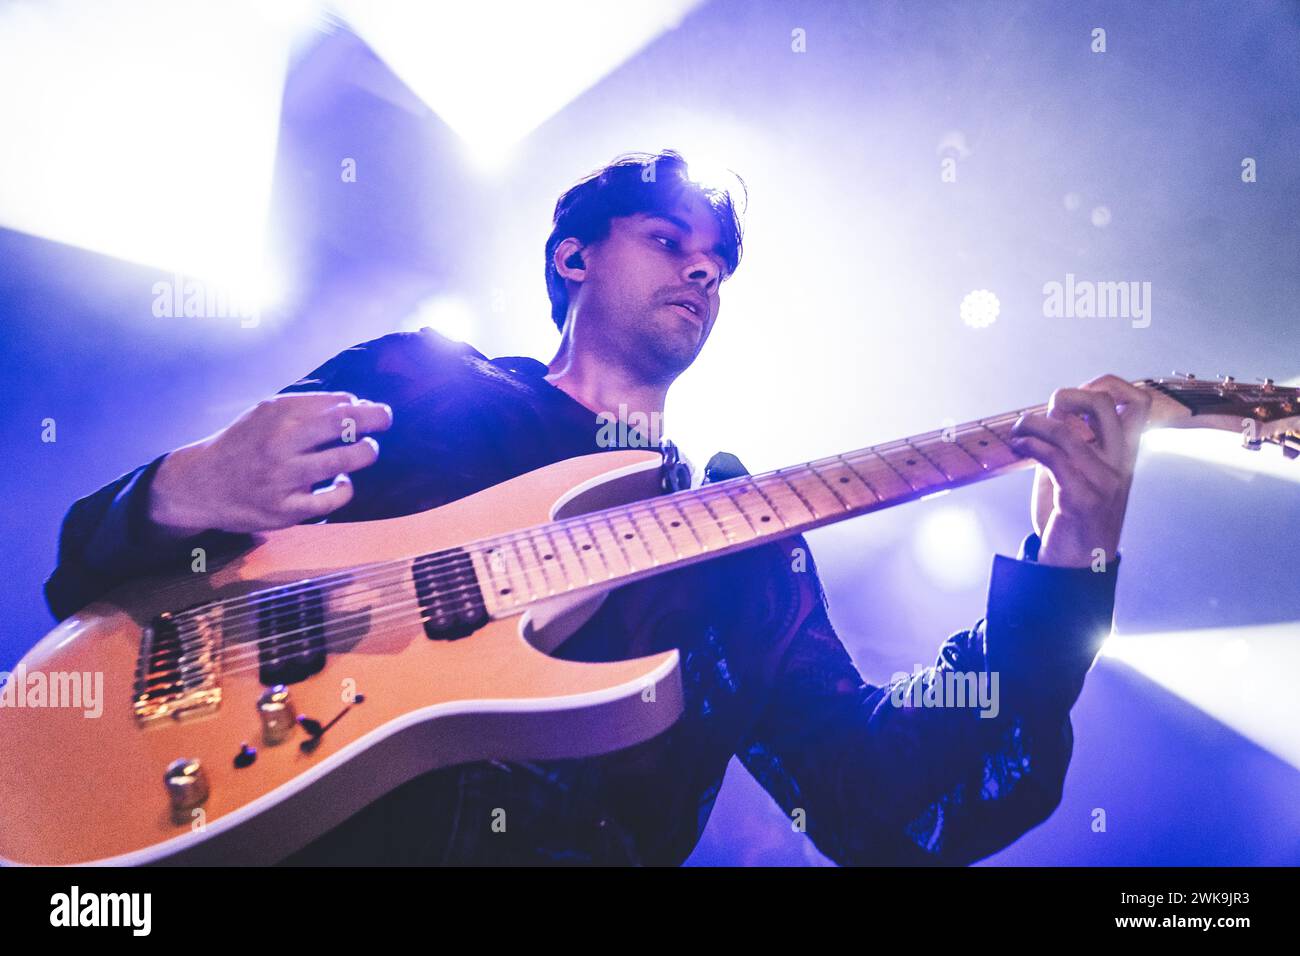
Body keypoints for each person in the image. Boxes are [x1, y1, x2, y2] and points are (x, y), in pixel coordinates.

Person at [43, 150, 1151, 865]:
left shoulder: (745, 545)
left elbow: (882, 807)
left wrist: (1068, 564)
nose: (702, 272)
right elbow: (97, 582)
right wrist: (183, 486)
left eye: (719, 263)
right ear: (571, 257)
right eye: (669, 241)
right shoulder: (425, 388)